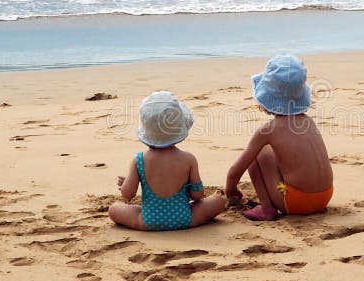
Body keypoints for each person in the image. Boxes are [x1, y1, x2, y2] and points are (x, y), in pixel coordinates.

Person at [225, 54, 333, 221]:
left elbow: (235, 172)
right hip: (325, 196)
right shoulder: (308, 122)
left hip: (296, 202)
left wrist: (231, 191)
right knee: (276, 153)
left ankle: (267, 208)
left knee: (257, 154)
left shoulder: (268, 130)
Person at [109, 91, 226, 230]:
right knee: (218, 201)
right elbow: (198, 196)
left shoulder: (138, 160)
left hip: (149, 221)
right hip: (185, 218)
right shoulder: (189, 159)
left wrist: (127, 182)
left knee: (114, 209)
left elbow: (127, 194)